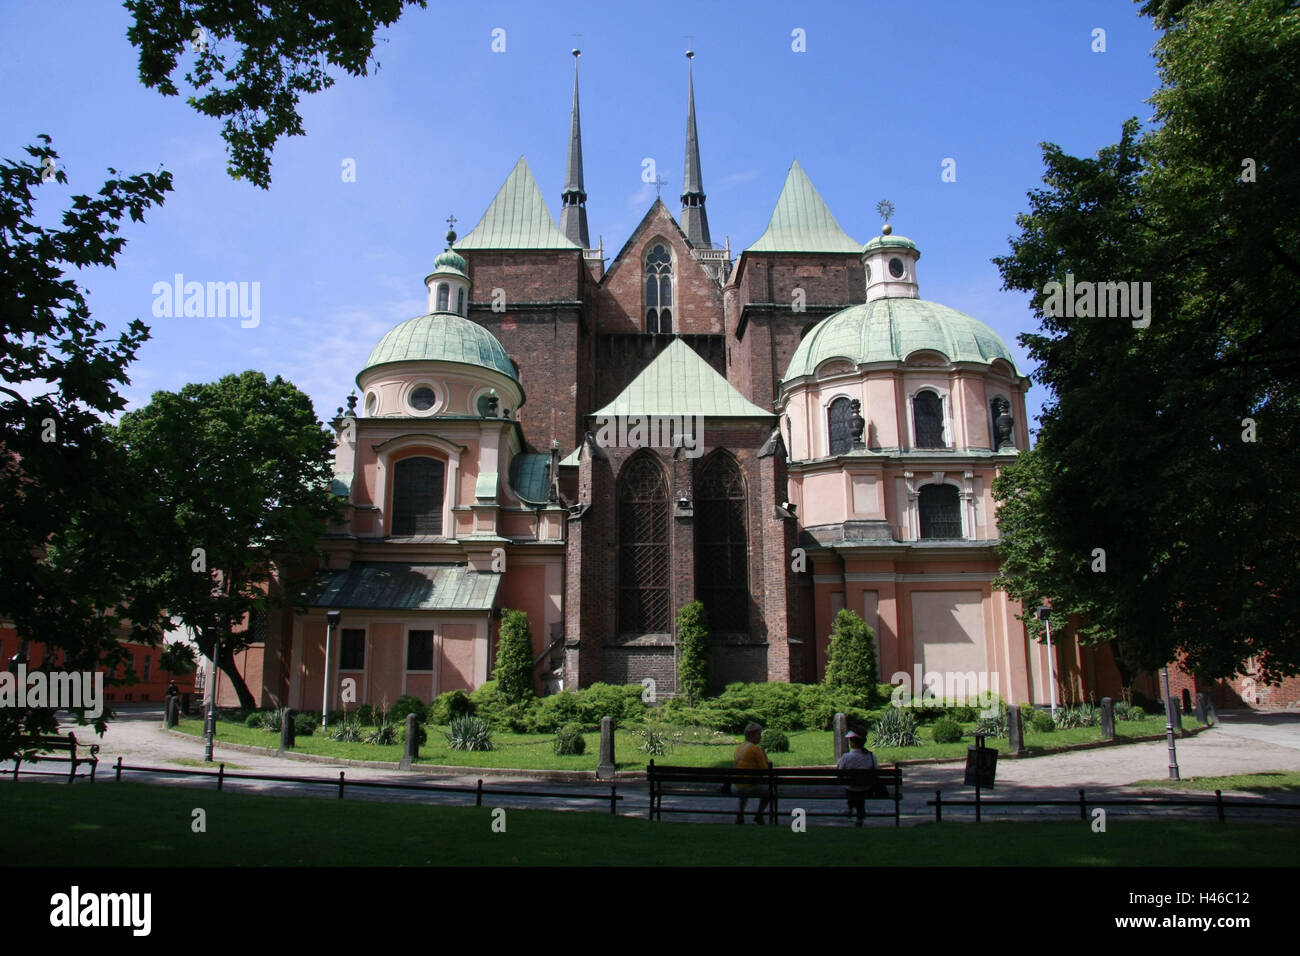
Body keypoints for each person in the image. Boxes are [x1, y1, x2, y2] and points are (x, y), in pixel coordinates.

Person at [837, 730, 879, 827]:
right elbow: (876, 771)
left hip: (851, 787)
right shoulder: (871, 756)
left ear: (852, 743)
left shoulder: (846, 757)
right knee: (860, 791)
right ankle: (860, 816)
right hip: (866, 786)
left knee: (852, 788)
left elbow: (840, 772)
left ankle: (850, 808)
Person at [733, 722, 771, 824]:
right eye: (758, 734)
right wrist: (765, 758)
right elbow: (764, 770)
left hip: (736, 786)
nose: (760, 737)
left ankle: (740, 815)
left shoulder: (740, 747)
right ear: (751, 735)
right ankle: (759, 814)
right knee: (768, 792)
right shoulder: (756, 749)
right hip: (747, 785)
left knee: (744, 788)